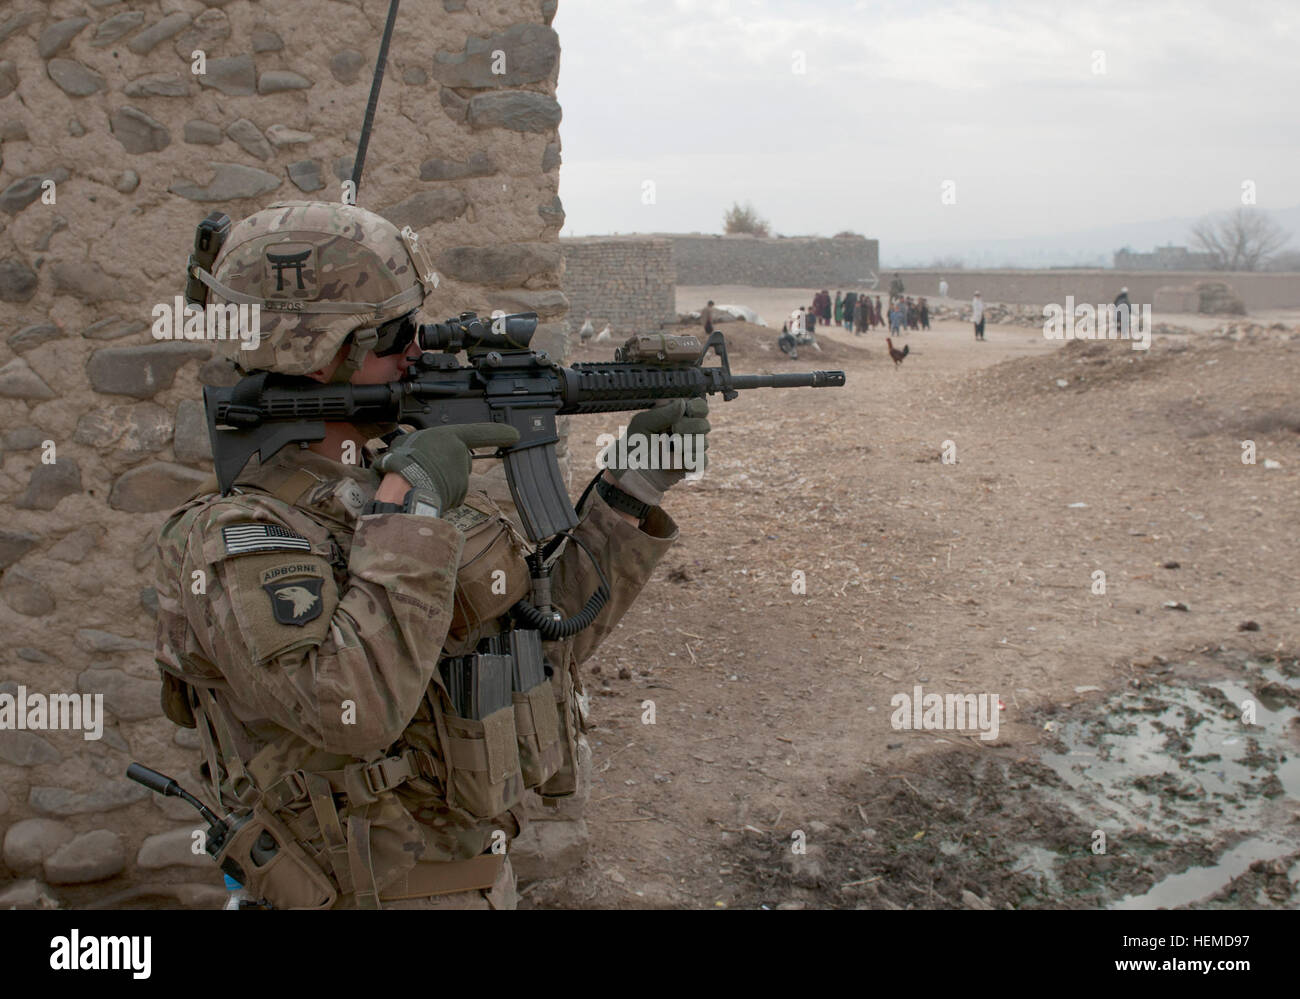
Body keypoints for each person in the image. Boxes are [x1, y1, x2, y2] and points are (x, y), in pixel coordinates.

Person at [153, 201, 705, 910]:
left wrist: (631, 489)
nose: (421, 350)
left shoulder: (392, 485)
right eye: (397, 334)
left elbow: (546, 642)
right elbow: (349, 707)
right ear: (320, 354)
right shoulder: (239, 534)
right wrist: (410, 510)